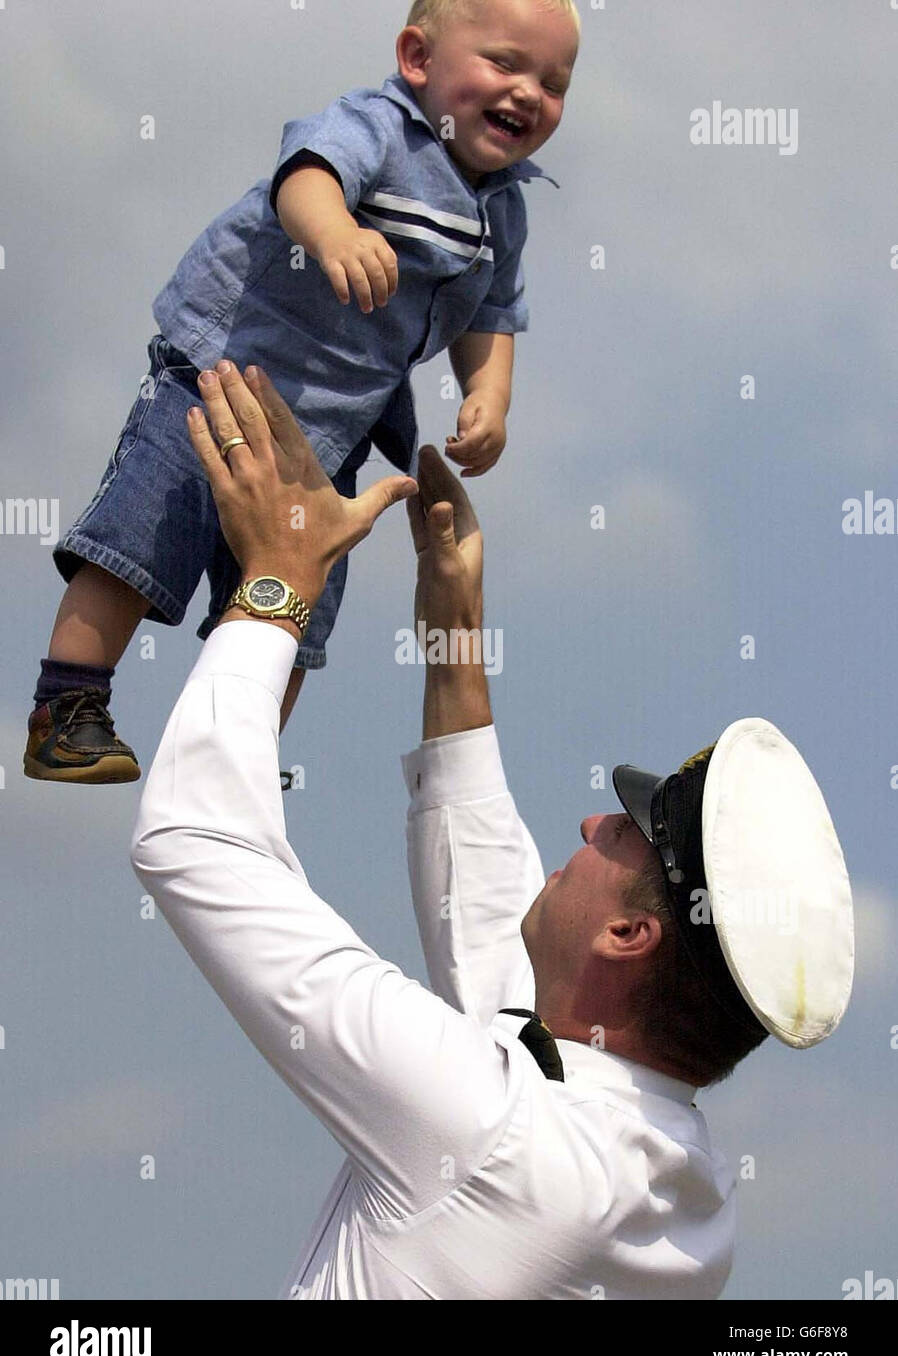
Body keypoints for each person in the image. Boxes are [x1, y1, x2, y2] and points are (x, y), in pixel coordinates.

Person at [130, 361, 854, 1299]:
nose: (592, 821)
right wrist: (455, 639)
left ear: (630, 934)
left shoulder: (491, 1138)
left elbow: (193, 839)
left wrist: (277, 578)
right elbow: (513, 986)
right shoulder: (684, 1194)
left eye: (620, 835)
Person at [25, 0, 578, 784]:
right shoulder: (378, 127)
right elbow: (306, 177)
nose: (529, 92)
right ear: (418, 58)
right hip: (219, 379)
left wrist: (489, 394)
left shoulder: (503, 209)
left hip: (324, 439)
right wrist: (335, 233)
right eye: (505, 64)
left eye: (554, 83)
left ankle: (240, 752)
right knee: (138, 541)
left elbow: (492, 309)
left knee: (298, 607)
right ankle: (70, 706)